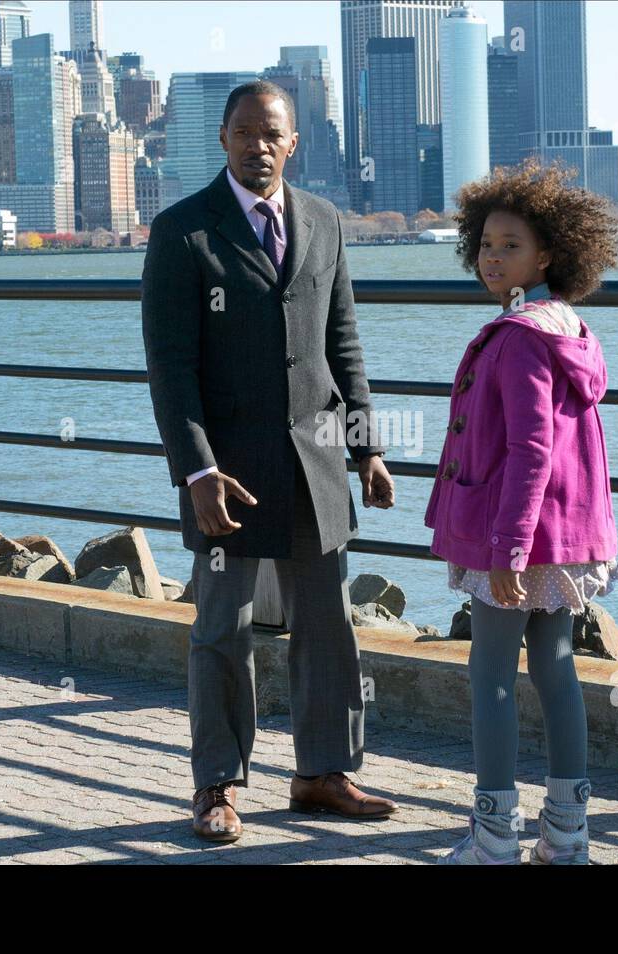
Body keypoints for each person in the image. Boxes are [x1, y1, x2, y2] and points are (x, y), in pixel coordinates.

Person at [141, 81, 399, 845]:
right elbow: (170, 367)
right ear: (222, 139)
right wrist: (196, 473)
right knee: (223, 630)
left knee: (329, 625)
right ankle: (216, 786)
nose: (258, 145)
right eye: (244, 132)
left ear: (293, 144)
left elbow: (342, 342)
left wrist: (367, 447)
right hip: (228, 475)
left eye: (272, 134)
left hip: (316, 461)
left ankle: (323, 773)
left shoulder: (322, 221)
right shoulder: (183, 231)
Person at [424, 159, 618, 864]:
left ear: (547, 255)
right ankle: (567, 838)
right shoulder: (569, 333)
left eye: (510, 245)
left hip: (516, 540)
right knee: (557, 666)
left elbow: (530, 450)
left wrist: (506, 552)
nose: (491, 256)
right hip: (565, 536)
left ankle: (493, 838)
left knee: (491, 675)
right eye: (484, 244)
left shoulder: (516, 340)